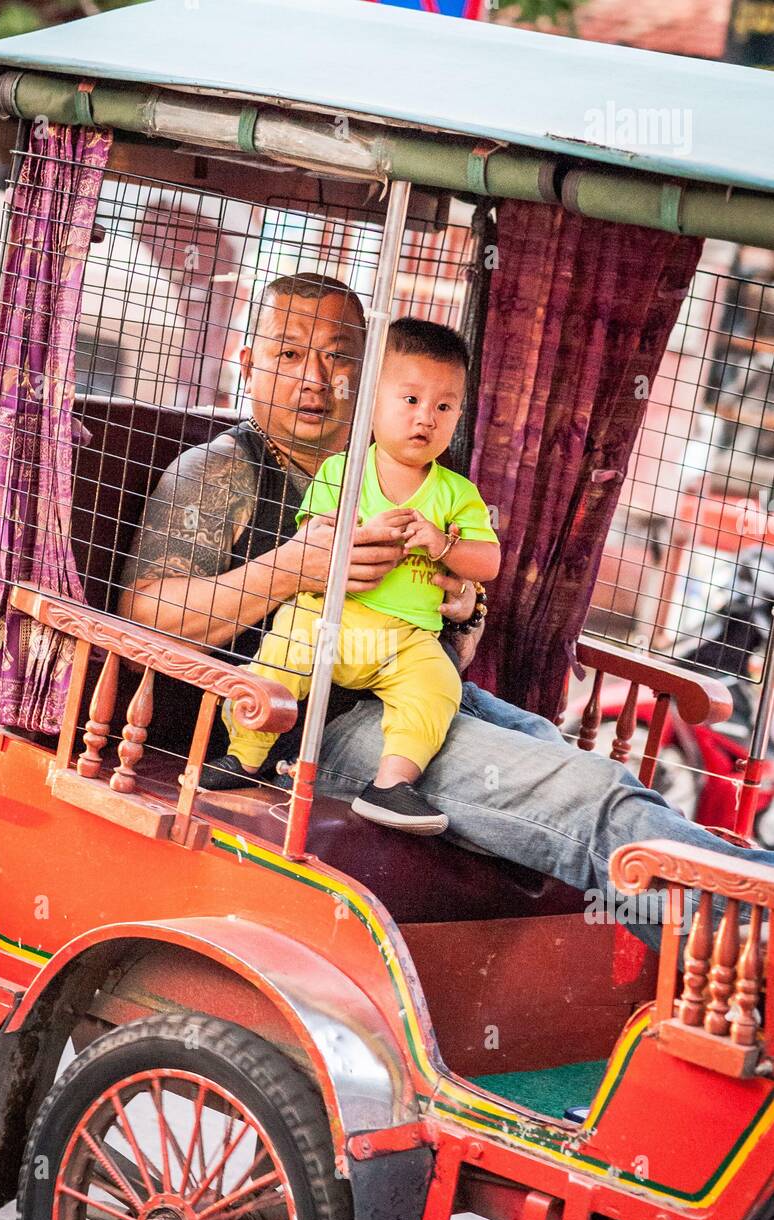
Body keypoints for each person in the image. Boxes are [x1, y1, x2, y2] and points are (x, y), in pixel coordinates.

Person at [119, 271, 774, 951]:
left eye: (340, 357)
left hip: (421, 694)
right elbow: (147, 611)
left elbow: (459, 628)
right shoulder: (221, 472)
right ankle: (751, 952)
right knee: (591, 795)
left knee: (565, 759)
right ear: (247, 362)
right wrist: (294, 568)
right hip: (307, 721)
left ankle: (691, 978)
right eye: (287, 354)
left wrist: (462, 604)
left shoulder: (402, 470)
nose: (315, 379)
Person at [203, 318, 500, 834]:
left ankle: (391, 784)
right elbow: (316, 540)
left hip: (406, 638)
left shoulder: (458, 494)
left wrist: (445, 544)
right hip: (329, 620)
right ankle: (244, 755)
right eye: (409, 400)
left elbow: (487, 563)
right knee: (279, 655)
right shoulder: (342, 472)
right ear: (371, 401)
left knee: (437, 686)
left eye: (444, 407)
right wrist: (369, 531)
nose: (425, 418)